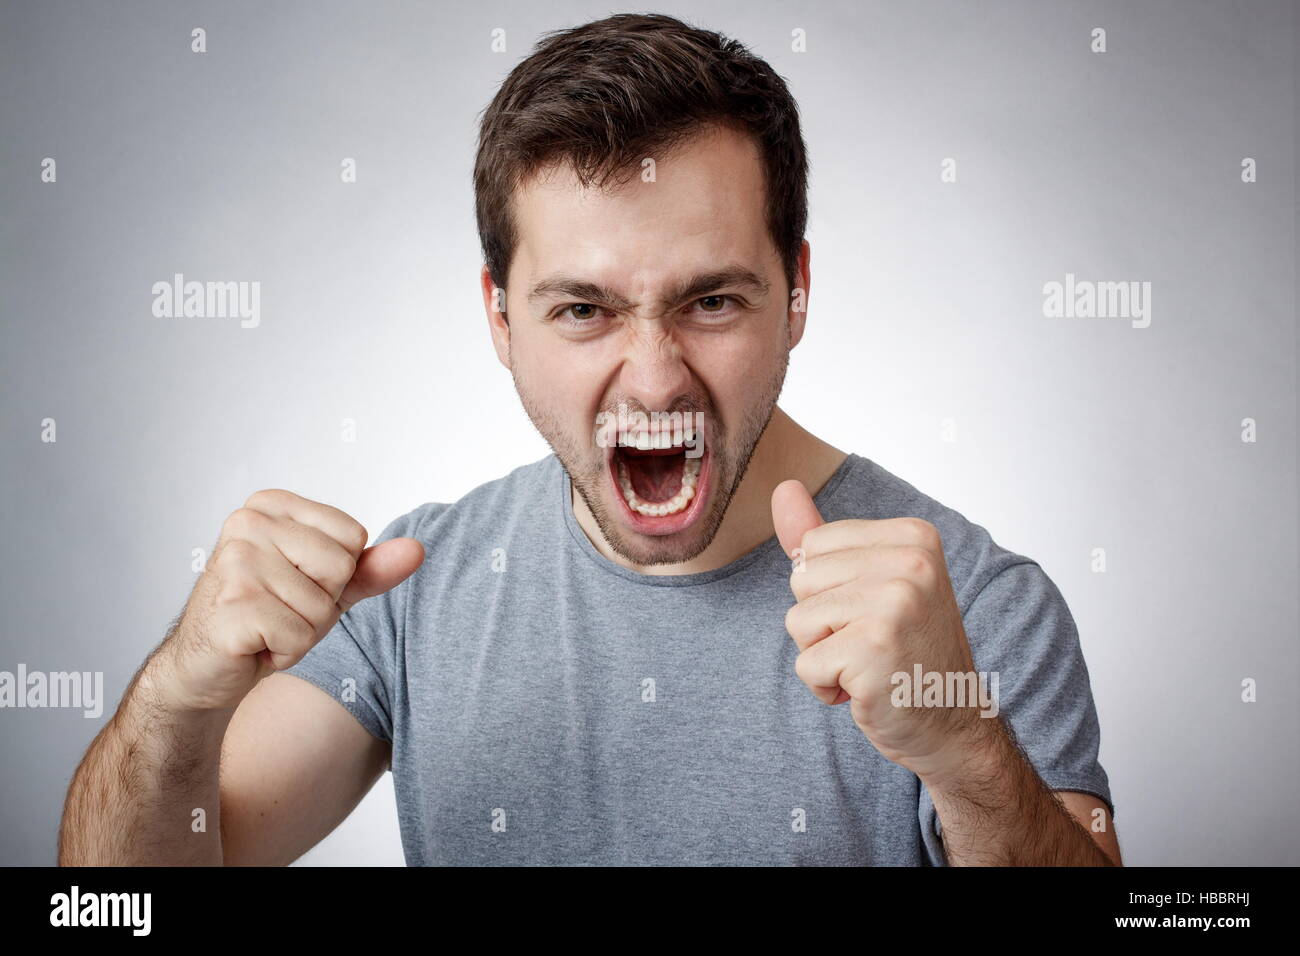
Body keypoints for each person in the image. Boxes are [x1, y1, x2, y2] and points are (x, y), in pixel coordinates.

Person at [59, 12, 1120, 866]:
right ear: (500, 318)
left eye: (711, 300)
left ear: (795, 292)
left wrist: (965, 747)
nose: (654, 374)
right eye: (583, 310)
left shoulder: (974, 608)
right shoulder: (418, 592)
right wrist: (179, 695)